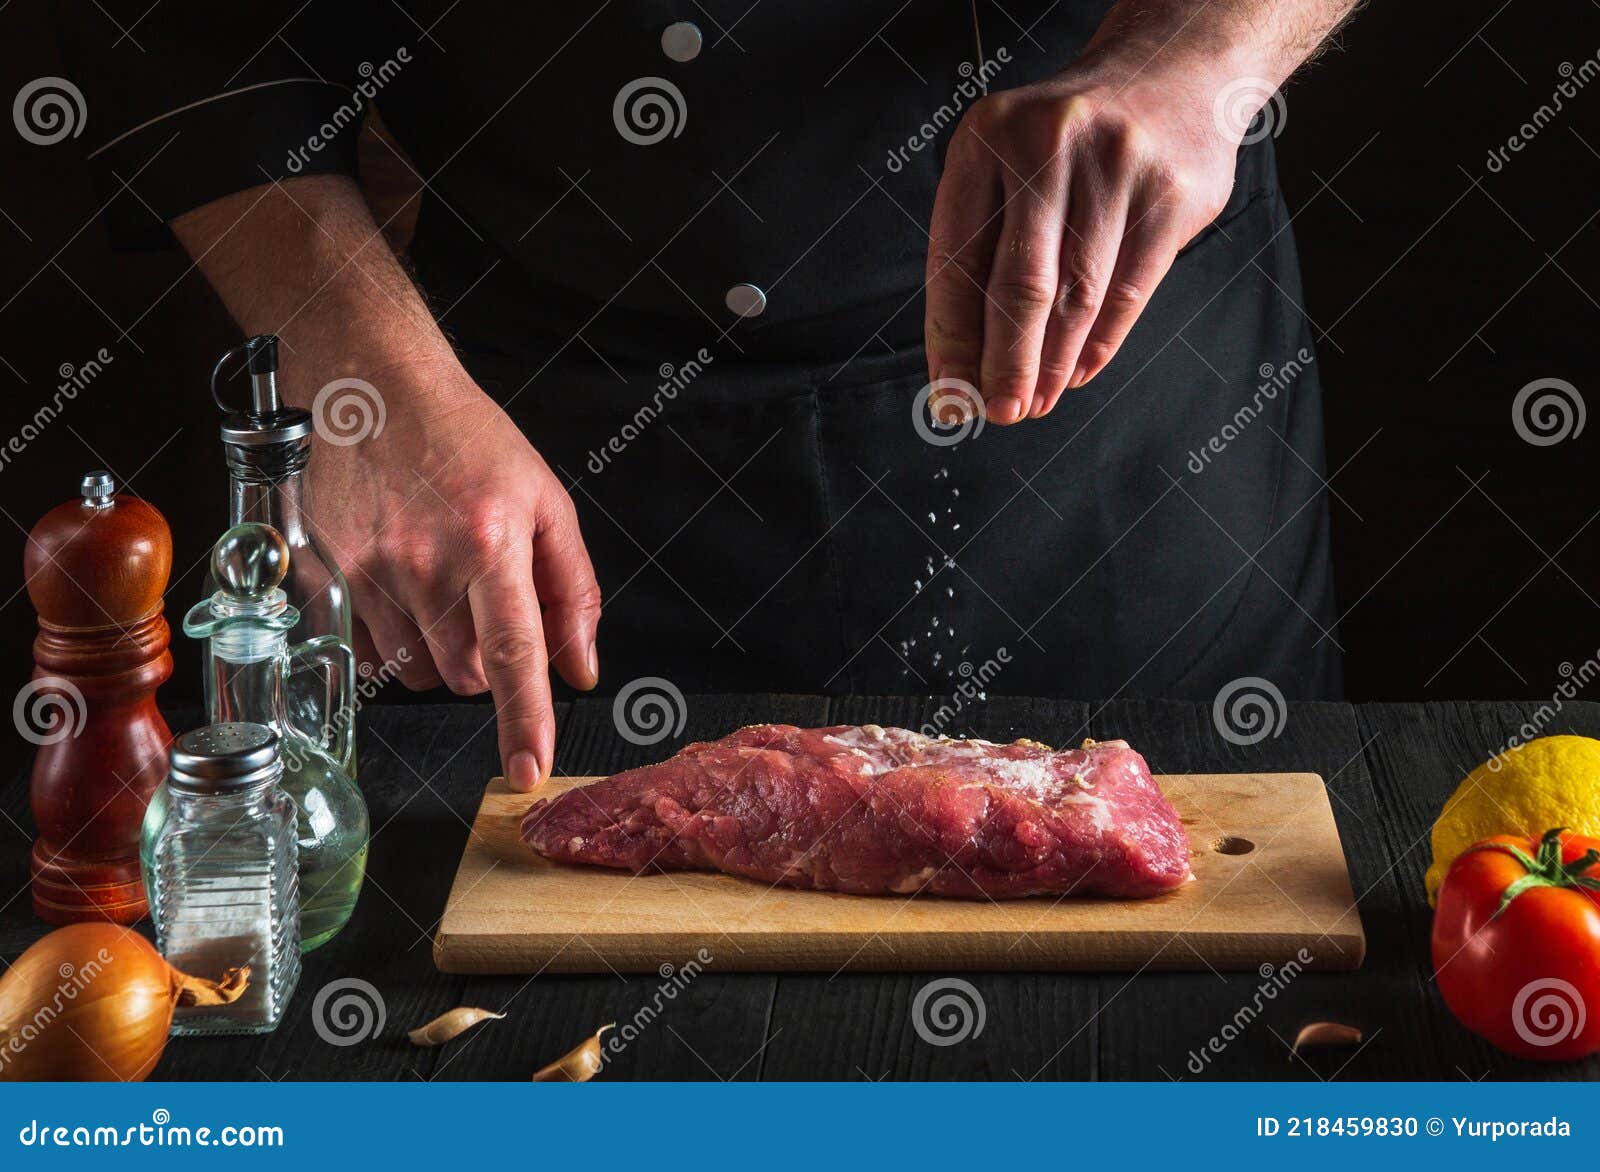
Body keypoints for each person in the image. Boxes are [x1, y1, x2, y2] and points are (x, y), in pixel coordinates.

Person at [63, 0, 1356, 791]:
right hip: (516, 419)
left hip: (1106, 404)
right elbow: (180, 25)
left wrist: (1199, 55)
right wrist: (355, 375)